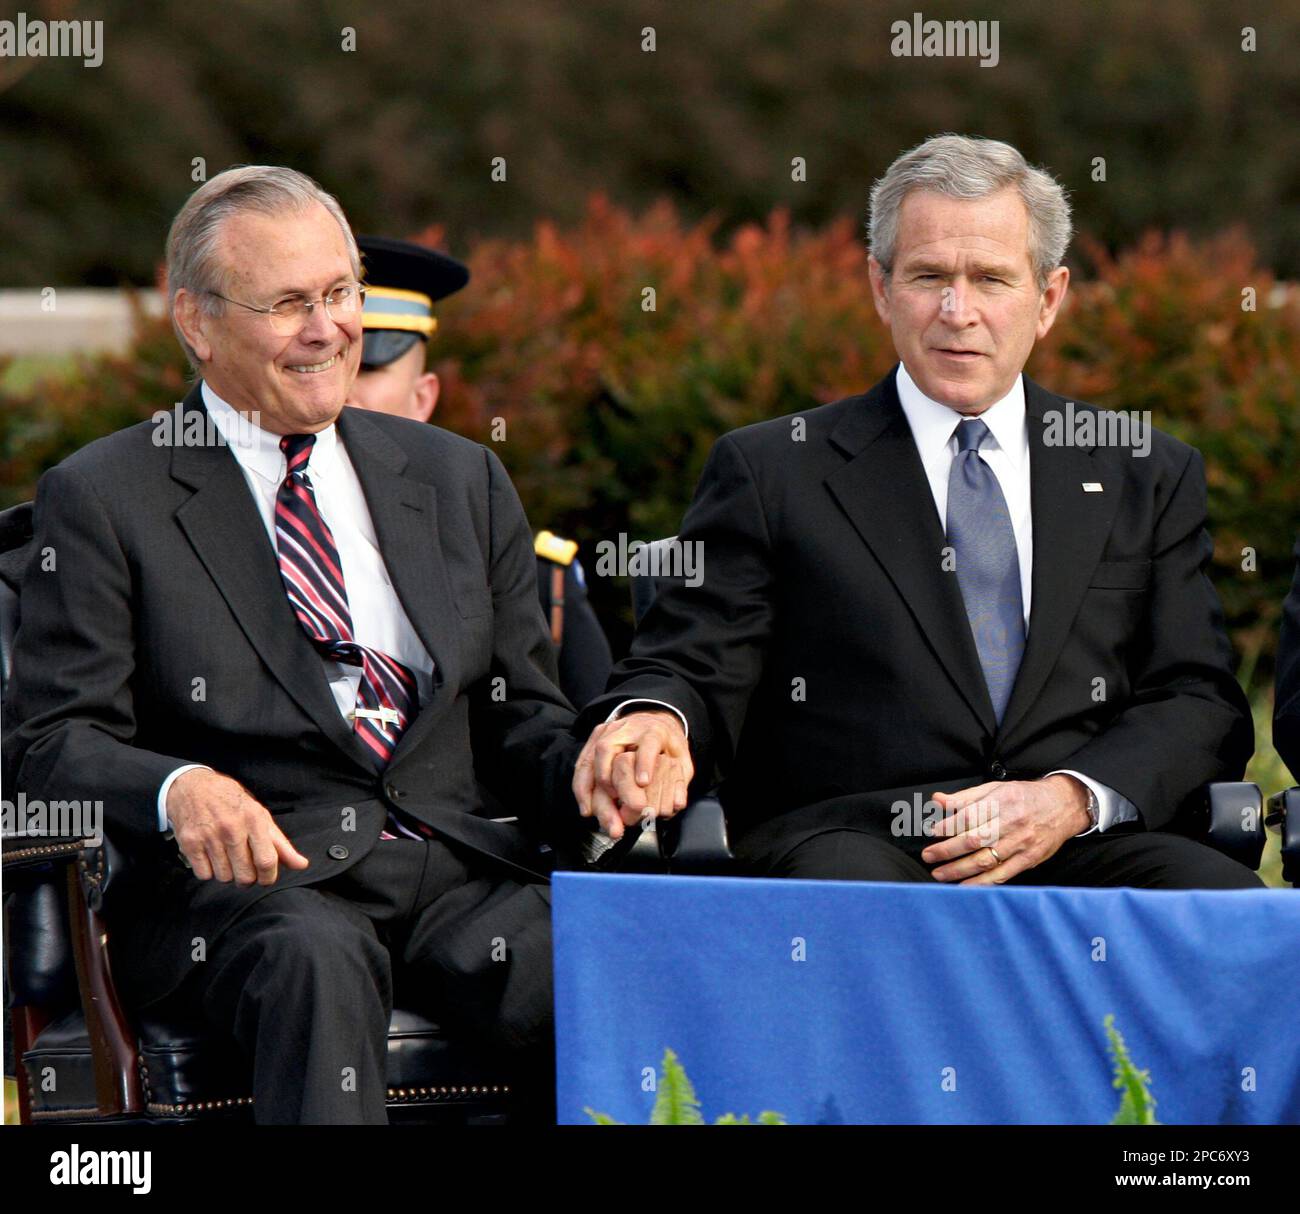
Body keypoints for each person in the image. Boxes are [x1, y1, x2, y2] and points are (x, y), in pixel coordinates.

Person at [2, 166, 578, 1124]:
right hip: (247, 896)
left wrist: (607, 752)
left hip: (451, 874)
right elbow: (48, 743)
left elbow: (524, 720)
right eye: (288, 303)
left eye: (340, 293)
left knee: (607, 973)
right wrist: (176, 786)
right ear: (196, 322)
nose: (328, 329)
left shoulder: (459, 478)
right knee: (315, 959)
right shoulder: (107, 497)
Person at [572, 134, 1259, 891]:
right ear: (880, 287)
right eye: (929, 275)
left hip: (1075, 836)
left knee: (1222, 914)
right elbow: (692, 663)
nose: (957, 312)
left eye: (992, 279)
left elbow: (1198, 699)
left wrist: (1069, 799)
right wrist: (656, 719)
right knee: (853, 906)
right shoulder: (774, 471)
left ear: (1049, 298)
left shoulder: (1143, 471)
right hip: (857, 840)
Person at [347, 234, 614, 708]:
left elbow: (577, 737)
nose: (341, 391)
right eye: (328, 364)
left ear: (424, 397)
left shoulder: (526, 576)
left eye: (367, 369)